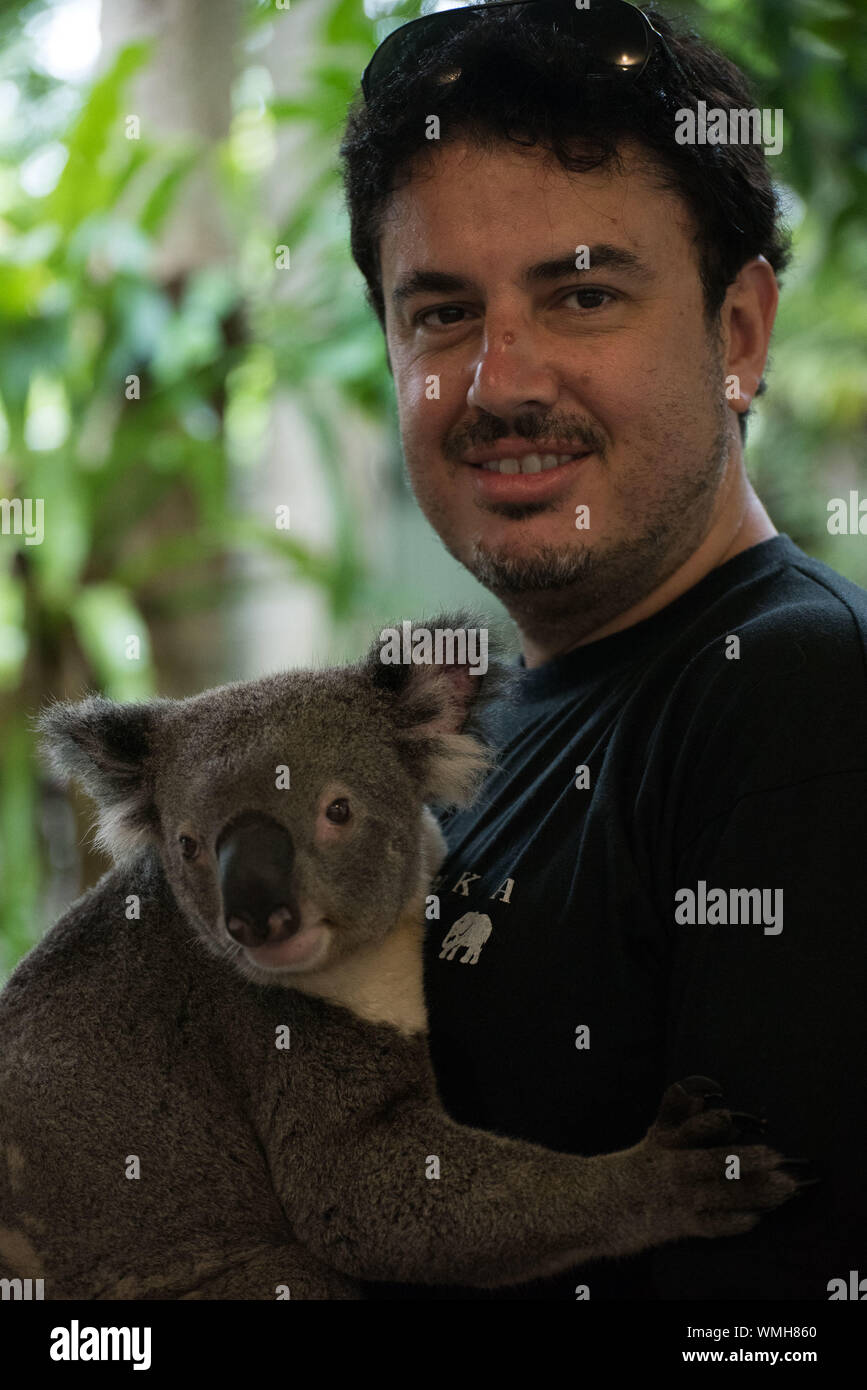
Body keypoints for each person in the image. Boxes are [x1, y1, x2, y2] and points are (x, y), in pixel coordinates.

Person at [338, 0, 867, 1299]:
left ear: (738, 334)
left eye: (581, 295)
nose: (499, 381)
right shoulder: (492, 721)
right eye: (443, 314)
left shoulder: (794, 689)